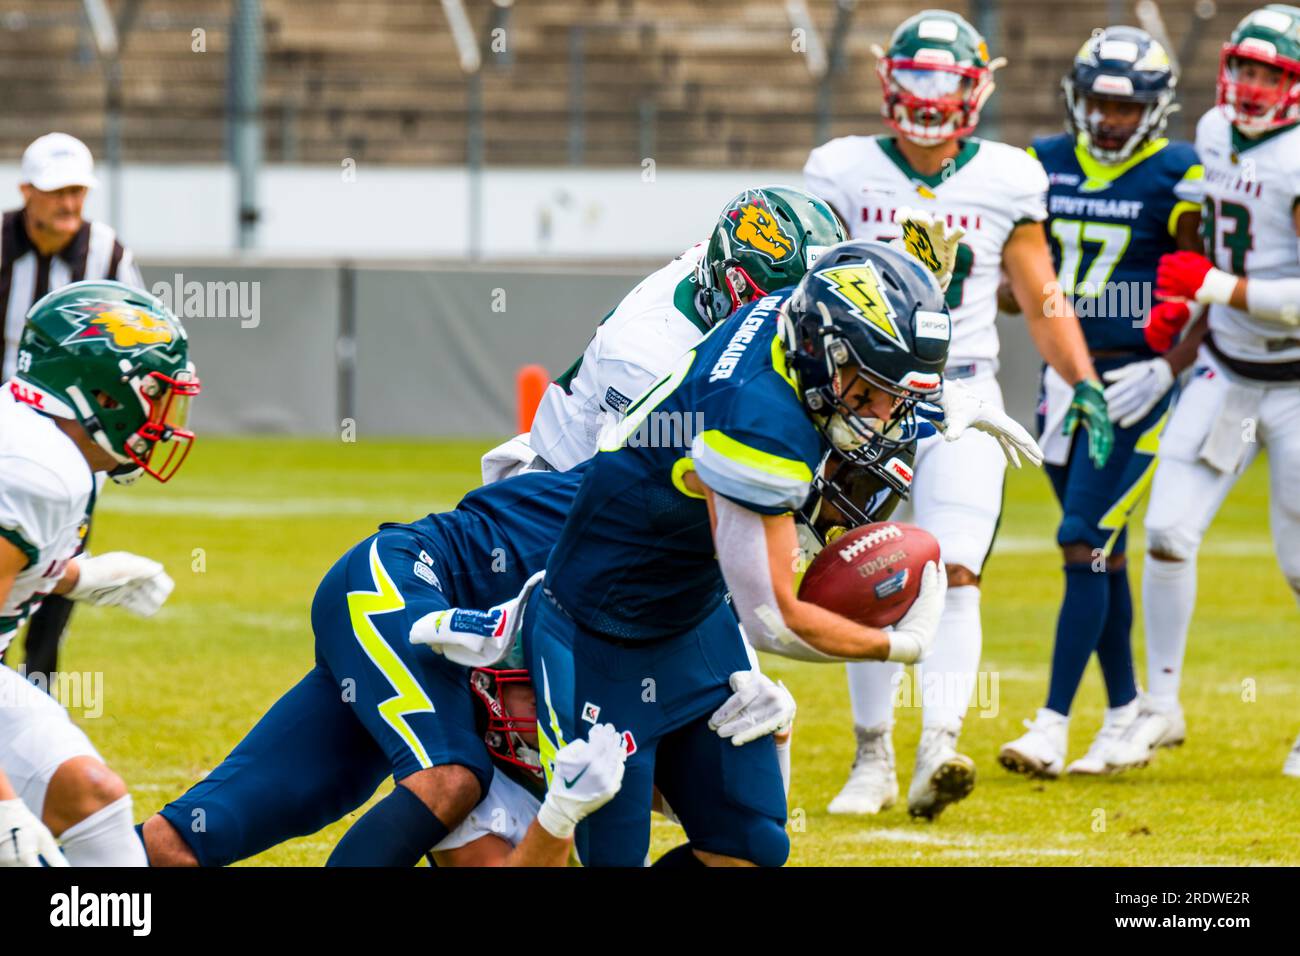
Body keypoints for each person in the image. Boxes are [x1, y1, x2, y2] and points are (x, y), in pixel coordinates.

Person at [414, 240, 1039, 866]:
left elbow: (844, 267)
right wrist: (901, 645)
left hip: (689, 617)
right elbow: (772, 617)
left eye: (892, 396)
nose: (881, 416)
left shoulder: (783, 310)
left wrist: (931, 386)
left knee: (751, 848)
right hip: (599, 633)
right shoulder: (757, 422)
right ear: (824, 354)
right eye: (869, 392)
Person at [139, 466, 788, 867]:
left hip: (477, 682)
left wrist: (772, 730)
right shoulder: (649, 516)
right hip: (411, 586)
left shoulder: (674, 659)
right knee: (448, 777)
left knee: (179, 846)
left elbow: (709, 802)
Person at [803, 9, 1113, 818]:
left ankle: (936, 746)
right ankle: (871, 756)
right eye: (915, 77)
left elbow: (1041, 293)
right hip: (858, 396)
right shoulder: (841, 168)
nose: (928, 96)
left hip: (962, 390)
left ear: (975, 89)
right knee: (862, 568)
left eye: (944, 80)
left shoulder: (1007, 176)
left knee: (957, 571)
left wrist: (1080, 379)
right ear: (886, 81)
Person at [996, 26, 1206, 778]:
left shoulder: (1179, 171)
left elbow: (1211, 276)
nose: (1111, 118)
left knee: (1082, 540)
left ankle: (1051, 724)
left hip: (1141, 382)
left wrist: (1174, 364)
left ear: (1155, 108)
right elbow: (1018, 289)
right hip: (1067, 379)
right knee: (1101, 559)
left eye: (1125, 105)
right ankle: (1125, 712)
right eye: (1098, 101)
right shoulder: (1042, 164)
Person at [1106, 3, 1300, 776]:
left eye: (1271, 74)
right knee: (1166, 534)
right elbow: (1201, 233)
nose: (1252, 85)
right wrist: (1177, 332)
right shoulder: (1215, 131)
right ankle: (1160, 706)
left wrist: (1215, 283)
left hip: (1294, 379)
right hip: (1224, 365)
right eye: (1246, 68)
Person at [0, 280, 198, 866]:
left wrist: (76, 579)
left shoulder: (40, 437)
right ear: (105, 393)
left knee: (94, 800)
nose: (163, 419)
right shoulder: (36, 468)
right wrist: (4, 803)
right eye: (156, 395)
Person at [481, 185, 846, 482]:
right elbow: (682, 487)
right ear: (734, 285)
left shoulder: (724, 260)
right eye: (787, 309)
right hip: (563, 493)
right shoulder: (645, 359)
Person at [1, 132, 146, 686]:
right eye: (55, 191)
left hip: (73, 434)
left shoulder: (105, 252)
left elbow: (137, 341)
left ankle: (37, 683)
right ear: (26, 192)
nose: (67, 204)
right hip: (5, 427)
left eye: (77, 192)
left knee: (57, 552)